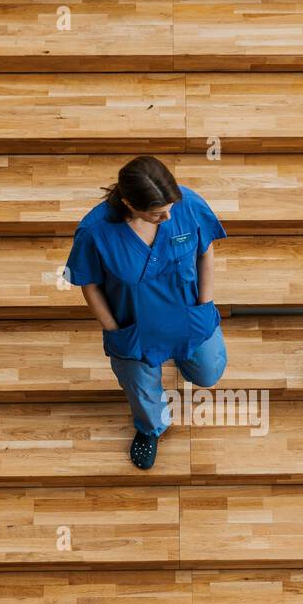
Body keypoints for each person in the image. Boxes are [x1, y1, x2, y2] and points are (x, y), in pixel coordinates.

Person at [65, 155, 227, 469]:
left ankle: (181, 356)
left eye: (170, 207)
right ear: (129, 204)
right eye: (157, 214)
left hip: (188, 316)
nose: (169, 216)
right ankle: (150, 428)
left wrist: (205, 304)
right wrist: (113, 329)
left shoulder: (188, 204)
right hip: (134, 328)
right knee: (142, 391)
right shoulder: (94, 231)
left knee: (209, 372)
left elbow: (206, 252)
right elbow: (89, 285)